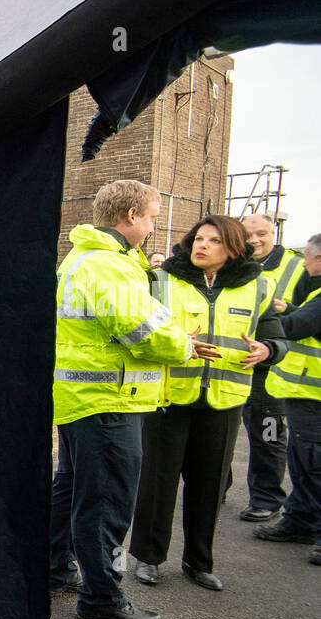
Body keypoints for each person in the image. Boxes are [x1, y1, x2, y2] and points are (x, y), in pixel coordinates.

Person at [50, 181, 219, 619]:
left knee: (72, 491)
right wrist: (184, 345)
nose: (153, 224)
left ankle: (55, 570)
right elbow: (139, 331)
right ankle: (101, 597)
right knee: (105, 504)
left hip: (84, 401)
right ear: (130, 216)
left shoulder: (87, 258)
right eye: (150, 216)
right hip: (109, 402)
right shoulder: (109, 265)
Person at [129, 216, 284, 591]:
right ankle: (148, 559)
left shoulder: (259, 287)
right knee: (158, 482)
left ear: (232, 248)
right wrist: (177, 341)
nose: (202, 246)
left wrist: (268, 349)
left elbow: (274, 337)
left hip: (224, 401)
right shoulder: (161, 281)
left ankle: (199, 563)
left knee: (209, 484)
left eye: (214, 241)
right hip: (169, 399)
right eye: (199, 239)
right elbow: (143, 333)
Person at [234, 214, 309, 521]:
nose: (254, 240)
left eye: (261, 234)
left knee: (268, 437)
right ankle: (217, 489)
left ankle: (266, 500)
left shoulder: (296, 265)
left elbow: (309, 313)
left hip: (273, 368)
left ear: (274, 232)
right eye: (247, 235)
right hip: (230, 363)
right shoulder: (231, 263)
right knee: (216, 437)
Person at [254, 232, 321, 565]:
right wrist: (288, 309)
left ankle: (293, 515)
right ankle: (300, 521)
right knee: (302, 459)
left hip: (310, 394)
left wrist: (262, 318)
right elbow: (305, 319)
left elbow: (296, 326)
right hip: (299, 393)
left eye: (308, 256)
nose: (304, 261)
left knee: (310, 462)